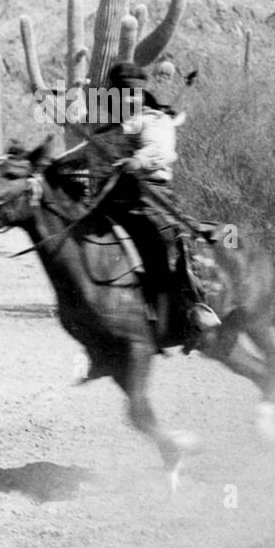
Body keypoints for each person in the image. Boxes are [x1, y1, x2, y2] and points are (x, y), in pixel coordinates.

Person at [99, 62, 221, 343]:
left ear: (140, 96)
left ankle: (195, 309)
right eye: (118, 94)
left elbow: (159, 150)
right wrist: (49, 98)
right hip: (113, 195)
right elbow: (75, 117)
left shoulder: (156, 119)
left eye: (129, 94)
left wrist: (137, 161)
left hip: (151, 194)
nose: (124, 99)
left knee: (165, 243)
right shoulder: (116, 123)